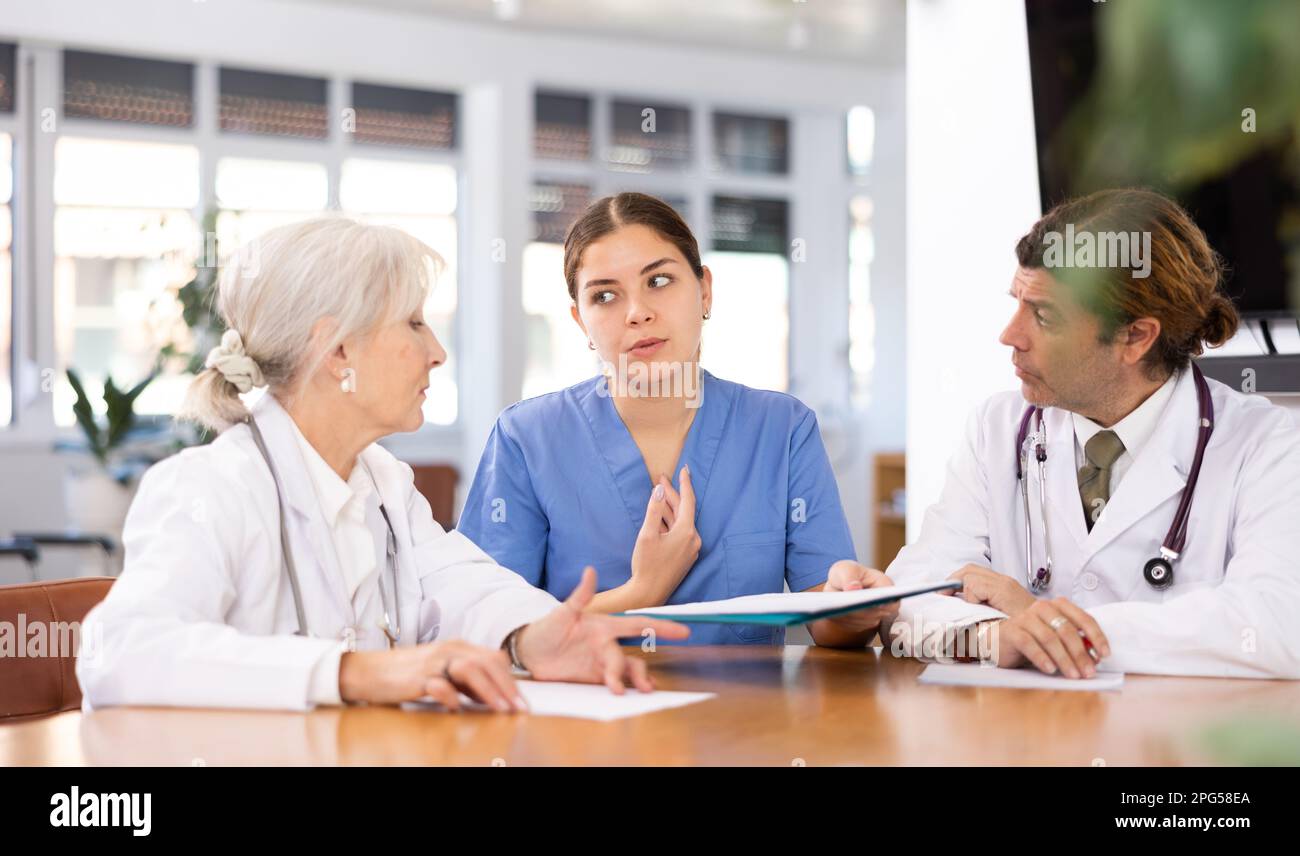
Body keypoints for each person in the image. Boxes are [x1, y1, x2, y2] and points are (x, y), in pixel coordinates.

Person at [76, 217, 688, 712]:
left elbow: (460, 584)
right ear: (338, 348)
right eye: (415, 323)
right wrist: (355, 673)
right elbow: (124, 651)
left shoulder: (382, 482)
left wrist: (532, 635)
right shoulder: (210, 486)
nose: (437, 352)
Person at [863, 188, 1300, 679]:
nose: (1010, 335)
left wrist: (1042, 620)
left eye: (1045, 315)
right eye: (1017, 303)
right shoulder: (997, 430)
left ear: (1136, 336)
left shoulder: (1264, 445)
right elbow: (908, 602)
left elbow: (1278, 624)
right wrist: (995, 635)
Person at [458, 192, 894, 647]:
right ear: (581, 321)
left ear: (704, 290)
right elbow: (492, 629)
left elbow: (826, 618)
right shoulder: (526, 440)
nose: (637, 313)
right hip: (587, 712)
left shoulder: (782, 430)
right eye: (605, 296)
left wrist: (855, 607)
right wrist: (642, 592)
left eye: (659, 280)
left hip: (745, 717)